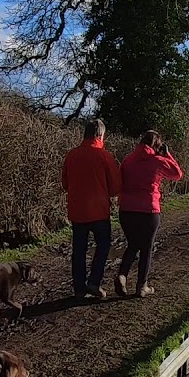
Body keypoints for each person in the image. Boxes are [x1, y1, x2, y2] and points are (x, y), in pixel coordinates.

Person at [117, 130, 183, 298]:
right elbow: (177, 174)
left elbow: (120, 181)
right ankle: (142, 285)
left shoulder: (127, 160)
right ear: (157, 146)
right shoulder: (157, 161)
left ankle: (122, 275)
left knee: (133, 244)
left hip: (126, 209)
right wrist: (167, 155)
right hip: (148, 209)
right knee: (146, 247)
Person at [61, 119, 121, 299]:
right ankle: (94, 282)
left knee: (78, 250)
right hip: (99, 211)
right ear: (100, 135)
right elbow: (115, 187)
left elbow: (65, 184)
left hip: (77, 211)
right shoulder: (104, 156)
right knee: (103, 246)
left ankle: (79, 288)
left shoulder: (72, 155)